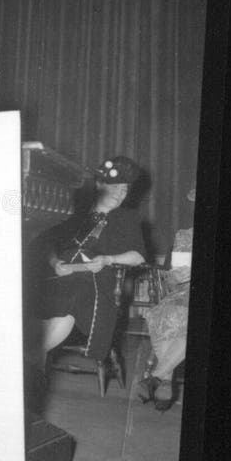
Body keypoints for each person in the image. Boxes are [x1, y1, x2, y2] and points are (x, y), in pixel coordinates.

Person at [31, 156, 146, 377]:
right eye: (115, 188)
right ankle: (33, 360)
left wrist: (107, 260)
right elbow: (48, 244)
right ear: (99, 185)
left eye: (124, 191)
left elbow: (138, 256)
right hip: (60, 276)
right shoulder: (76, 212)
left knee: (72, 295)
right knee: (38, 296)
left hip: (97, 282)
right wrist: (55, 262)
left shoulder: (127, 218)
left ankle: (31, 357)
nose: (119, 195)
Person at [137, 186, 195, 411]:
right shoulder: (184, 236)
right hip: (182, 293)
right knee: (164, 312)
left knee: (188, 318)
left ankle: (157, 377)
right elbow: (170, 281)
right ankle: (164, 380)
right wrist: (174, 276)